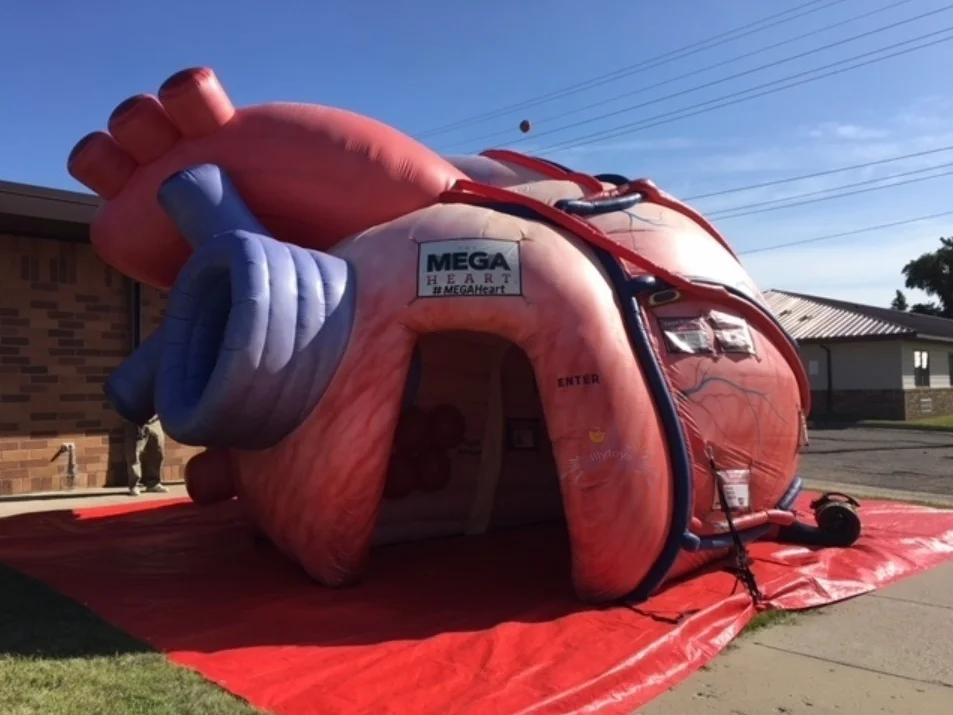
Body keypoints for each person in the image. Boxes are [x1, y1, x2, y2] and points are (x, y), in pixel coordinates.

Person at [125, 416, 169, 496]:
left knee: (158, 452)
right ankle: (134, 485)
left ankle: (153, 483)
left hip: (155, 421)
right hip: (136, 422)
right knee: (134, 454)